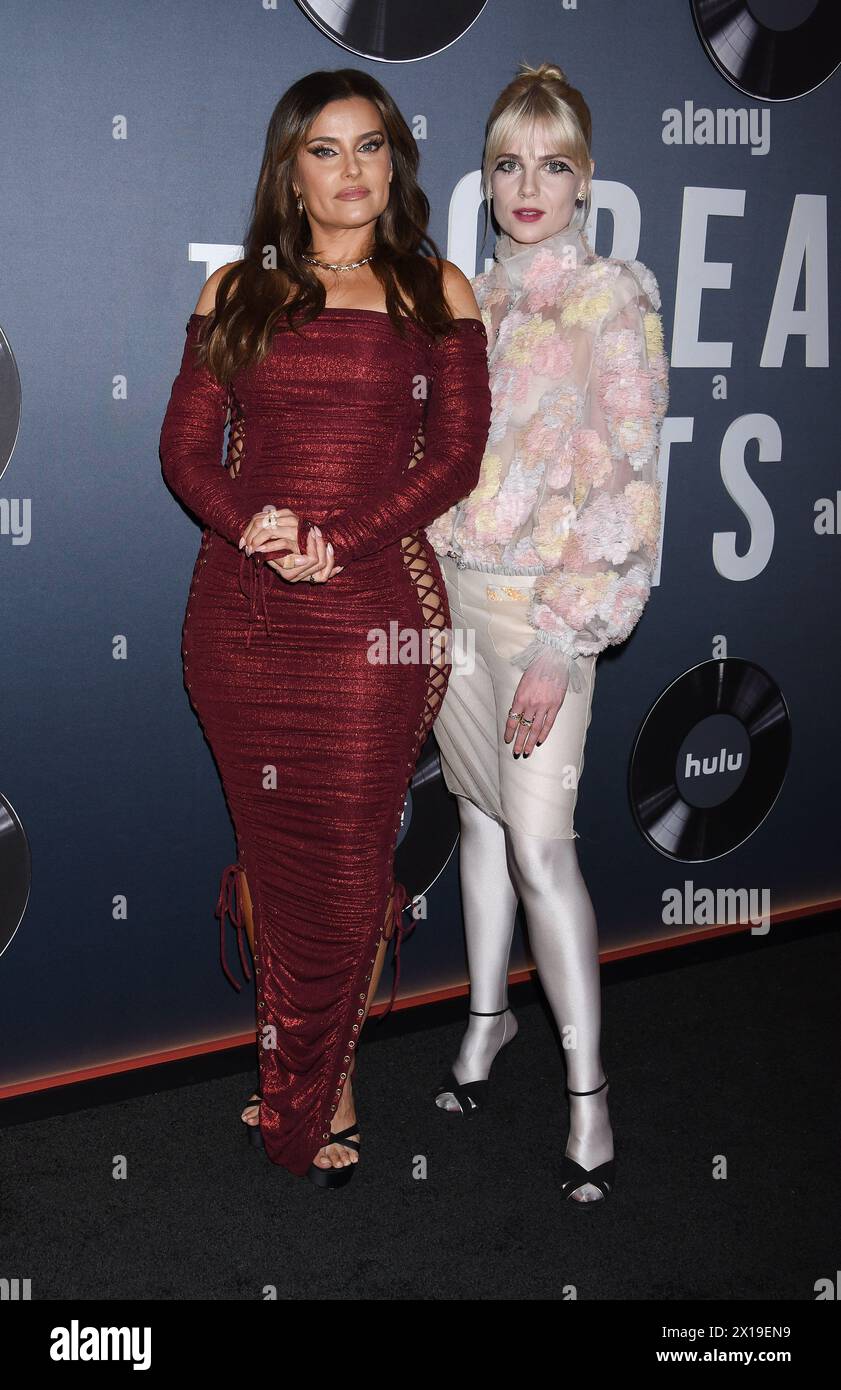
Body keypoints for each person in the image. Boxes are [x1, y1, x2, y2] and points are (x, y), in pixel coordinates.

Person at [159, 67, 491, 1187]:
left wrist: (340, 541)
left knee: (345, 866)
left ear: (395, 160)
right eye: (325, 150)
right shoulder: (234, 291)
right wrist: (251, 519)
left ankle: (325, 1079)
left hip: (370, 620)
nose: (352, 172)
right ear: (289, 170)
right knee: (271, 858)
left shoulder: (434, 287)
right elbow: (186, 453)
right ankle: (285, 1059)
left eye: (371, 147)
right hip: (240, 619)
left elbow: (454, 458)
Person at [426, 62, 668, 1203]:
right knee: (474, 819)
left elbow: (624, 483)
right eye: (508, 164)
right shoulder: (466, 297)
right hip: (454, 600)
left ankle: (588, 1089)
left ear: (584, 183)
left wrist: (565, 640)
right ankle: (487, 1024)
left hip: (540, 615)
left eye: (553, 165)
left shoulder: (611, 297)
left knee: (538, 845)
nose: (529, 186)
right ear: (487, 179)